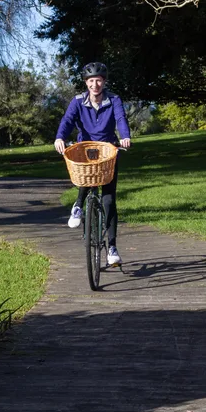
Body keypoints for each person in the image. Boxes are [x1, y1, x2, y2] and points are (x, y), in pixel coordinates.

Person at [54, 62, 132, 266]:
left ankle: (112, 247)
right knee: (86, 176)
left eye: (98, 80)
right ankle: (78, 205)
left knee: (108, 200)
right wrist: (60, 138)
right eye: (91, 80)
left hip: (108, 150)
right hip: (86, 149)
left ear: (104, 82)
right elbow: (67, 120)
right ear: (86, 82)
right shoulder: (78, 101)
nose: (95, 84)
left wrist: (125, 136)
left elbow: (121, 119)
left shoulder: (113, 99)